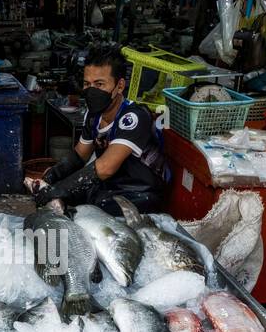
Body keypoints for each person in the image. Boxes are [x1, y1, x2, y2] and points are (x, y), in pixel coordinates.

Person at [31, 45, 166, 215]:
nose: (91, 90)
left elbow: (105, 168)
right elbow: (80, 155)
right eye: (87, 84)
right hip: (109, 187)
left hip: (139, 194)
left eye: (100, 84)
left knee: (83, 211)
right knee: (65, 202)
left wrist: (60, 189)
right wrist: (53, 175)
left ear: (119, 86)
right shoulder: (94, 116)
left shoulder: (133, 117)